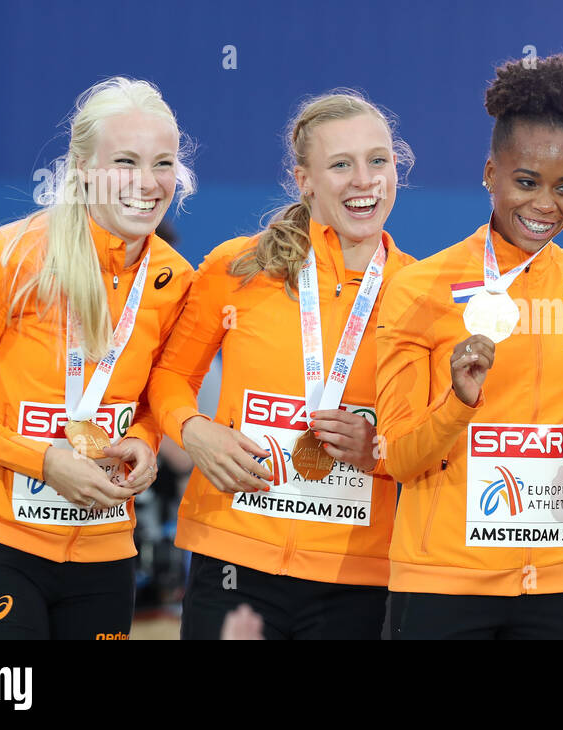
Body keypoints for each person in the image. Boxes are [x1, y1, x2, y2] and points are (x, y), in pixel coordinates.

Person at [0, 77, 195, 639]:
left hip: (104, 545)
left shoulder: (174, 279)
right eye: (125, 161)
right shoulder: (9, 257)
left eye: (162, 163)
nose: (146, 182)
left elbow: (155, 395)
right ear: (83, 168)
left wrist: (145, 439)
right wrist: (43, 461)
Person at [375, 55, 563, 640]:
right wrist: (457, 403)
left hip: (561, 591)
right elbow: (396, 457)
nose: (546, 204)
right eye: (526, 182)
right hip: (440, 586)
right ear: (490, 172)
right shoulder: (419, 288)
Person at [146, 91, 415, 639]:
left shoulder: (422, 293)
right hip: (233, 567)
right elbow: (170, 377)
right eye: (341, 164)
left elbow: (435, 443)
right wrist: (193, 431)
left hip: (357, 577)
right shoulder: (238, 268)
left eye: (378, 160)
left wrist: (380, 452)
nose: (364, 179)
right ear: (305, 180)